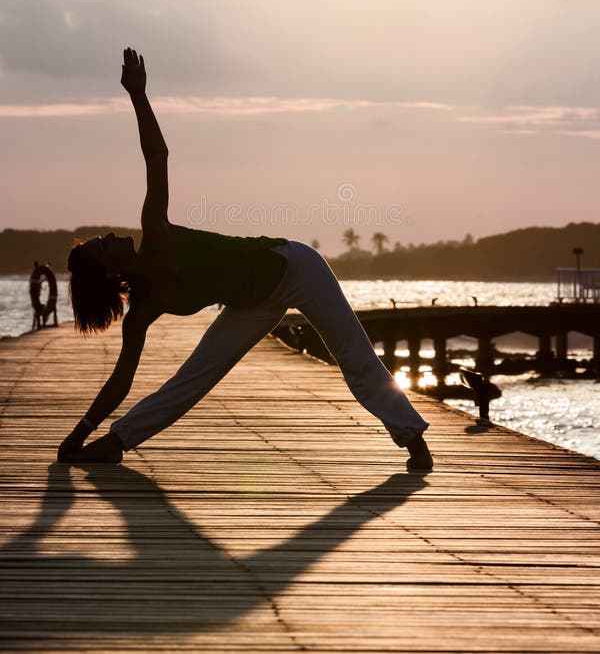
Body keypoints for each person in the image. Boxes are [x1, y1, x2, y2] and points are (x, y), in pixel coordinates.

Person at [57, 49, 432, 471]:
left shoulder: (156, 233)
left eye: (101, 237)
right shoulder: (142, 311)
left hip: (296, 267)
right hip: (253, 303)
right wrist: (79, 432)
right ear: (110, 271)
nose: (110, 235)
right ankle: (118, 441)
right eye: (103, 244)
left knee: (353, 355)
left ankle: (413, 439)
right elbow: (121, 381)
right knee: (194, 376)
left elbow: (157, 157)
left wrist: (138, 96)